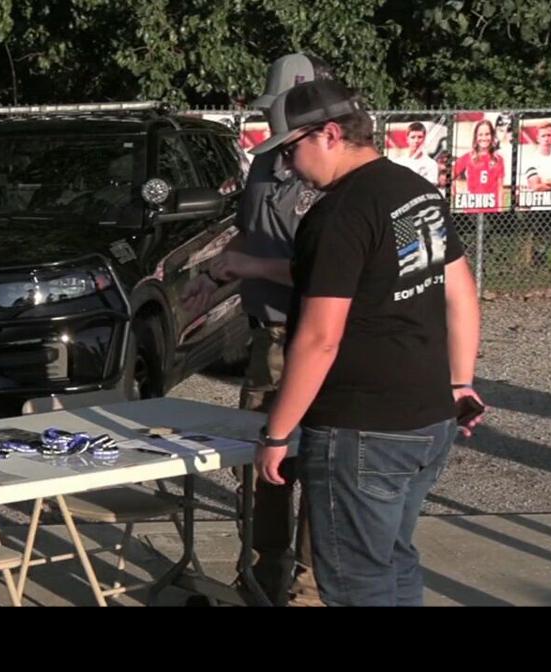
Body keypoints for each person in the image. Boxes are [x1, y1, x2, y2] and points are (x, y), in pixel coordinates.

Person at [249, 79, 484, 606]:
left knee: (359, 583)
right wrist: (459, 382)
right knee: (394, 562)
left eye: (290, 150)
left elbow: (319, 339)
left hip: (362, 429)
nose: (288, 166)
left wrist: (277, 433)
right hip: (427, 418)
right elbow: (461, 293)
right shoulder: (415, 191)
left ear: (329, 135)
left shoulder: (338, 215)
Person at [193, 53, 334, 607]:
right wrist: (213, 274)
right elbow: (249, 232)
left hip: (314, 338)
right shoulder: (265, 163)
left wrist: (247, 266)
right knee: (262, 467)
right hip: (267, 337)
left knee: (317, 469)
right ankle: (259, 577)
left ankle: (309, 588)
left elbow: (323, 270)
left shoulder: (333, 178)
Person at [452, 119, 505, 212]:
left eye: (487, 134)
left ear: (492, 136)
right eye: (480, 135)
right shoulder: (468, 157)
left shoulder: (498, 159)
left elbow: (500, 188)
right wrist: (455, 193)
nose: (484, 138)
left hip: (491, 210)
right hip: (472, 210)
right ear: (475, 137)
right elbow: (451, 174)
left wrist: (500, 211)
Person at [390, 121, 439, 186]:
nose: (416, 141)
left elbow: (430, 188)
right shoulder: (398, 163)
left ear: (424, 139)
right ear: (407, 139)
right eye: (413, 137)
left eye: (420, 137)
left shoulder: (431, 164)